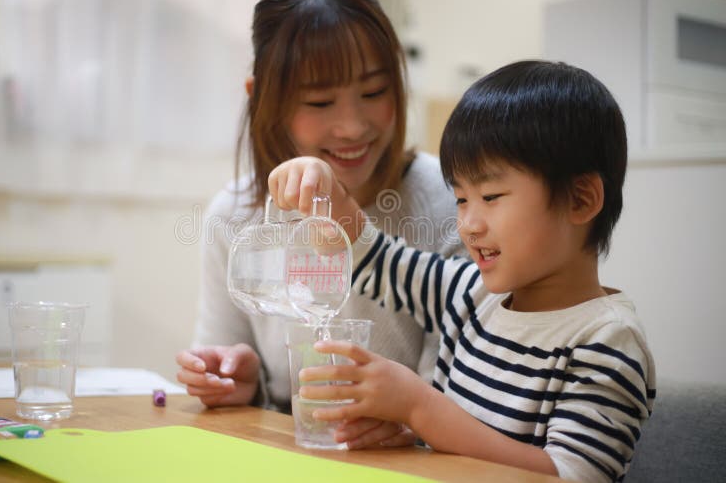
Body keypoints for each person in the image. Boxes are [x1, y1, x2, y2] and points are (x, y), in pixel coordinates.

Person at [269, 60, 656, 482]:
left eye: (490, 196)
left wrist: (420, 410)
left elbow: (569, 476)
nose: (469, 224)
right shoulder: (470, 291)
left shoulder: (608, 341)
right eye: (461, 199)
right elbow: (374, 258)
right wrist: (325, 190)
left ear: (581, 199)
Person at [175, 0, 461, 425]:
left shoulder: (449, 203)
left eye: (374, 90)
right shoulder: (234, 214)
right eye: (319, 102)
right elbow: (224, 358)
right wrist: (243, 385)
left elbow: (455, 405)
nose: (352, 126)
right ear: (261, 99)